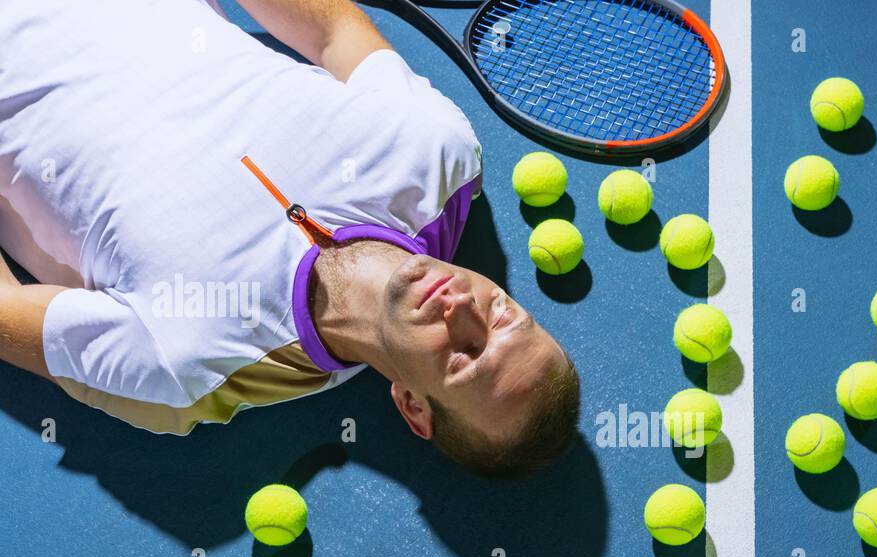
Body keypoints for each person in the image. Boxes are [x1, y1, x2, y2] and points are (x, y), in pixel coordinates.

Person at [0, 0, 580, 476]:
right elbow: (333, 32)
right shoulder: (437, 155)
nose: (462, 311)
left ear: (412, 405)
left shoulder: (188, 365)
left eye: (463, 357)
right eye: (501, 316)